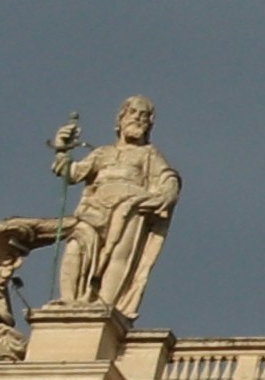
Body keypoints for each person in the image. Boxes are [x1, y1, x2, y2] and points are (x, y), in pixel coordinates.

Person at [45, 99, 179, 317]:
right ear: (120, 120)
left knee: (119, 256)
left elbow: (167, 176)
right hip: (94, 208)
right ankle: (69, 301)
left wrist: (169, 189)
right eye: (133, 113)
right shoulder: (103, 153)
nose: (138, 118)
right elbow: (72, 173)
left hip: (129, 208)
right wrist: (61, 149)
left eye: (144, 116)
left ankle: (104, 305)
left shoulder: (148, 153)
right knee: (76, 246)